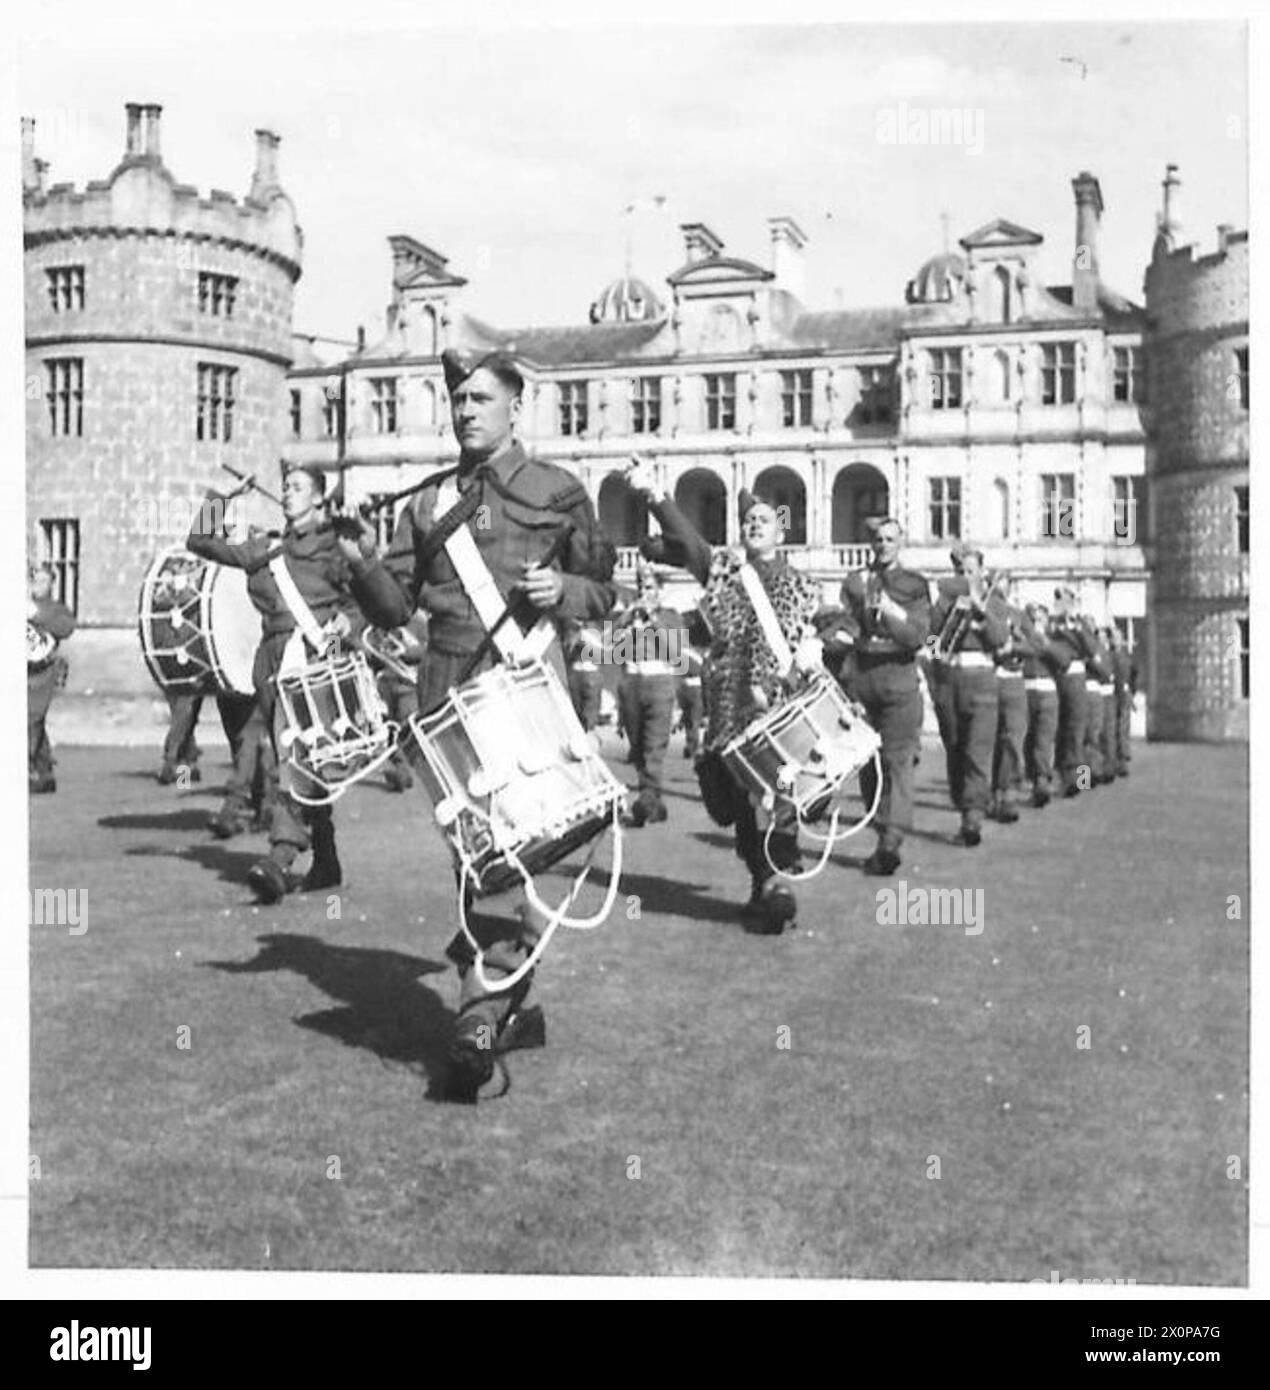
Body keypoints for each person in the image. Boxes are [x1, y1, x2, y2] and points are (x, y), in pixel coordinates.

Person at [339, 347, 617, 1102]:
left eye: (481, 398)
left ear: (514, 407)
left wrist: (565, 587)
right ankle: (500, 1007)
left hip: (523, 688)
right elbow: (397, 610)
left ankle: (479, 1014)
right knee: (478, 857)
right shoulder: (426, 504)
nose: (466, 410)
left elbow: (606, 589)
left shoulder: (559, 491)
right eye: (458, 399)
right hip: (447, 694)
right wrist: (365, 565)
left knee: (508, 855)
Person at [621, 458, 824, 932]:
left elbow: (827, 631)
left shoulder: (803, 585)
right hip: (730, 707)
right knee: (736, 800)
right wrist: (654, 493)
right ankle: (762, 881)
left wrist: (817, 646)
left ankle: (777, 882)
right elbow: (688, 540)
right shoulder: (725, 570)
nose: (755, 525)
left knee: (779, 795)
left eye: (765, 521)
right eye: (749, 520)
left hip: (778, 706)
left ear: (781, 533)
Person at [187, 464, 366, 901]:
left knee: (298, 757)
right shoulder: (263, 547)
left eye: (298, 487)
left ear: (319, 498)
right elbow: (201, 542)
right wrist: (223, 498)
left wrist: (350, 620)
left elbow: (365, 596)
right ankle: (326, 861)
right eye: (285, 486)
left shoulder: (334, 546)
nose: (287, 493)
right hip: (271, 662)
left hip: (316, 658)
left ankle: (281, 855)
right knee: (302, 757)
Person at [821, 517, 930, 876]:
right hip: (863, 679)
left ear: (901, 543)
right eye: (879, 539)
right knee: (868, 763)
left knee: (898, 762)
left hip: (898, 679)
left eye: (890, 539)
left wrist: (888, 610)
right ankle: (880, 829)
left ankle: (891, 841)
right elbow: (846, 625)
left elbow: (915, 636)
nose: (883, 545)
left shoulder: (914, 585)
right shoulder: (855, 581)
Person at [929, 543, 1009, 846]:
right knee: (955, 750)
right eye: (960, 571)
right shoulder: (946, 600)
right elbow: (932, 637)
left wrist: (980, 608)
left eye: (971, 571)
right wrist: (945, 607)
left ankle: (972, 819)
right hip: (950, 681)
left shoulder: (994, 601)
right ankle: (964, 803)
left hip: (982, 682)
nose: (966, 576)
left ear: (982, 572)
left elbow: (1001, 639)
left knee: (978, 752)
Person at [613, 561, 683, 827]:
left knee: (654, 747)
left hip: (659, 682)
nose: (645, 593)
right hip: (631, 681)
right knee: (638, 747)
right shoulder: (631, 617)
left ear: (660, 591)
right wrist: (627, 617)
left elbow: (674, 653)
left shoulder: (670, 615)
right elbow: (611, 645)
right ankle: (653, 801)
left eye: (650, 587)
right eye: (642, 587)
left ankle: (647, 800)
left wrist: (653, 621)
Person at [27, 563, 76, 794]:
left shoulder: (56, 609)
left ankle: (29, 769)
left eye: (43, 581)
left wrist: (36, 615)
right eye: (35, 580)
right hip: (23, 671)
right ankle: (44, 771)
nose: (38, 586)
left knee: (31, 719)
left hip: (43, 673)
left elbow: (66, 627)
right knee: (33, 721)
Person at [988, 578, 1031, 825]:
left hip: (1017, 684)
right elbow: (936, 644)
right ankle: (989, 796)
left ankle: (1082, 782)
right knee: (990, 742)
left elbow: (1038, 645)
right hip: (992, 679)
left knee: (1014, 740)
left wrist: (1015, 644)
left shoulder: (1018, 615)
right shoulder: (982, 613)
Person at [1021, 601, 1060, 808]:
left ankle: (1084, 781)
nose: (1037, 622)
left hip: (1058, 692)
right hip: (1027, 689)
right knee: (1028, 740)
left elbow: (1067, 657)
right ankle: (1037, 780)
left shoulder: (1054, 639)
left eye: (1040, 618)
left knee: (1080, 743)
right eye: (1033, 618)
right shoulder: (1024, 637)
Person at [1108, 626, 1138, 777]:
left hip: (1120, 696)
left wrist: (1131, 693)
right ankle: (1084, 782)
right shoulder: (1106, 655)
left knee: (1122, 728)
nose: (1115, 641)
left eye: (1118, 637)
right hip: (1108, 697)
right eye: (1113, 637)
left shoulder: (1126, 657)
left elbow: (1133, 676)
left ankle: (1121, 762)